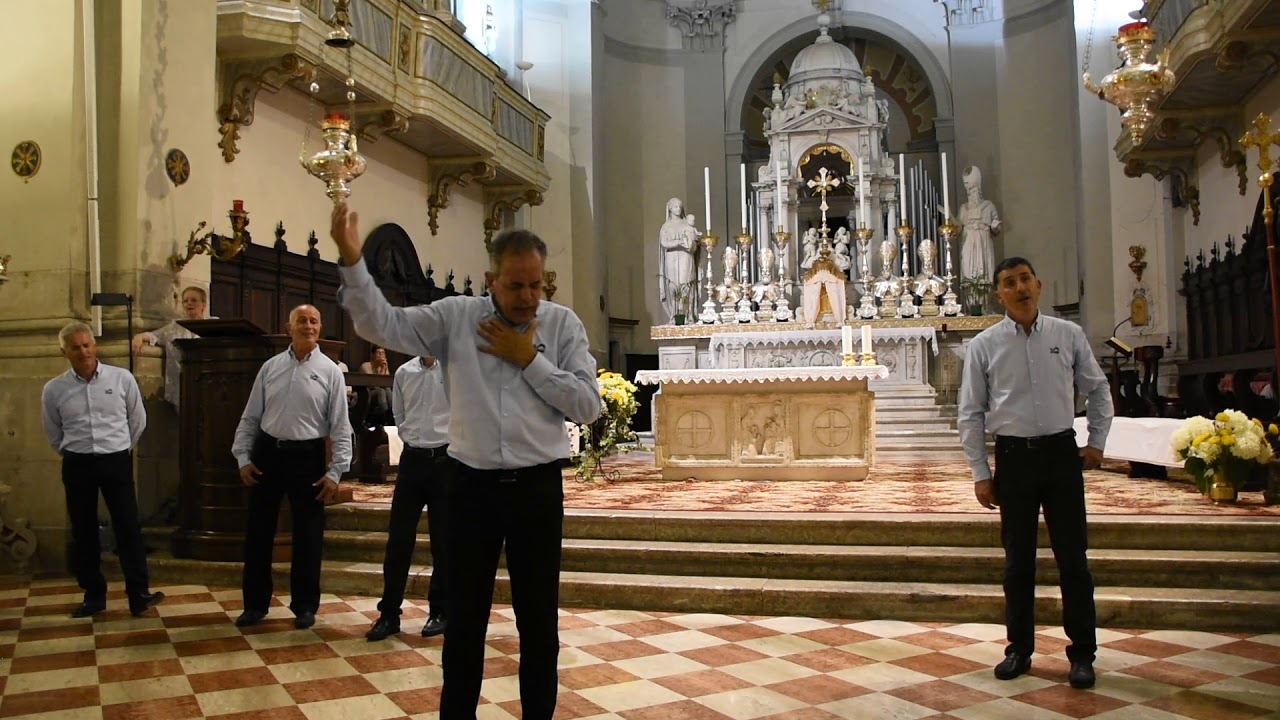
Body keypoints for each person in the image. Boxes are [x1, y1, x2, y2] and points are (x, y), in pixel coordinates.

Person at [332, 204, 600, 720]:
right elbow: (381, 323)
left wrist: (530, 358)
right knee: (464, 622)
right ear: (491, 280)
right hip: (470, 488)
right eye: (515, 285)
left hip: (537, 490)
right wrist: (351, 259)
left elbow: (588, 406)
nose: (528, 297)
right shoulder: (455, 317)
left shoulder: (562, 325)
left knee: (538, 623)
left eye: (536, 285)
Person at [957, 257, 1113, 691]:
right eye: (1010, 282)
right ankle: (1019, 649)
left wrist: (1098, 441)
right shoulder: (985, 344)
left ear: (1039, 285)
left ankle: (1082, 654)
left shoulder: (1068, 334)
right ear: (999, 294)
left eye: (1025, 279)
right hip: (1015, 459)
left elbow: (1097, 388)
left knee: (1073, 560)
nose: (1020, 287)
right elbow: (970, 412)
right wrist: (980, 472)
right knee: (1018, 562)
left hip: (1061, 454)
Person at [230, 304, 352, 630]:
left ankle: (305, 606)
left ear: (320, 328)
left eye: (314, 321)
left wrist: (335, 472)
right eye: (302, 321)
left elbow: (341, 426)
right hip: (268, 454)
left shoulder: (330, 371)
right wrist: (243, 457)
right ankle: (255, 605)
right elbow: (250, 417)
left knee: (308, 536)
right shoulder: (270, 367)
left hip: (307, 458)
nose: (308, 326)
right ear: (289, 327)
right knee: (258, 533)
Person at [42, 322, 165, 618]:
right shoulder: (54, 389)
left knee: (128, 527)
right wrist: (74, 451)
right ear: (64, 352)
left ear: (94, 346)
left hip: (115, 460)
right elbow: (53, 431)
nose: (83, 351)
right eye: (75, 347)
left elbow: (138, 419)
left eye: (86, 345)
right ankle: (93, 595)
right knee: (83, 530)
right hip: (78, 462)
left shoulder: (121, 378)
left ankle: (138, 593)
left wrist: (121, 448)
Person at [366, 354, 452, 641]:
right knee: (399, 541)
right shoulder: (404, 372)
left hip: (445, 461)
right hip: (412, 461)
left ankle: (440, 611)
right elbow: (399, 414)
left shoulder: (454, 369)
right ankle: (389, 614)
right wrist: (413, 439)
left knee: (443, 542)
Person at [130, 285, 208, 408]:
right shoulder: (175, 327)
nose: (189, 303)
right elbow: (155, 335)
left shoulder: (211, 325)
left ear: (204, 304)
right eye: (185, 301)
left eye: (194, 300)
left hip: (206, 382)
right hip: (182, 383)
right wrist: (139, 337)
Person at [958, 166, 1003, 284]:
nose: (972, 193)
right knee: (968, 271)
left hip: (983, 242)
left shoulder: (989, 206)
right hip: (969, 242)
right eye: (969, 189)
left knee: (984, 272)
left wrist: (994, 226)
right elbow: (958, 229)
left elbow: (997, 229)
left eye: (973, 189)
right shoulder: (963, 208)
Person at [658, 198, 697, 323]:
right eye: (675, 206)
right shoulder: (666, 226)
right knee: (673, 285)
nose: (678, 209)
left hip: (685, 256)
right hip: (672, 257)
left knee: (686, 283)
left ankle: (688, 314)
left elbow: (694, 245)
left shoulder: (687, 224)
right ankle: (675, 315)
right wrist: (678, 242)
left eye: (680, 206)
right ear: (670, 209)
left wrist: (690, 244)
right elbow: (664, 243)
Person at [359, 345, 393, 426]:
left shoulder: (384, 366)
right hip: (367, 393)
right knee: (381, 391)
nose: (381, 355)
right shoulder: (366, 366)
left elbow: (386, 383)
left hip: (381, 392)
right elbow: (374, 384)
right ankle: (385, 416)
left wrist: (384, 368)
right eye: (378, 353)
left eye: (383, 353)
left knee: (387, 389)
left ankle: (391, 412)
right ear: (373, 355)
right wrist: (382, 370)